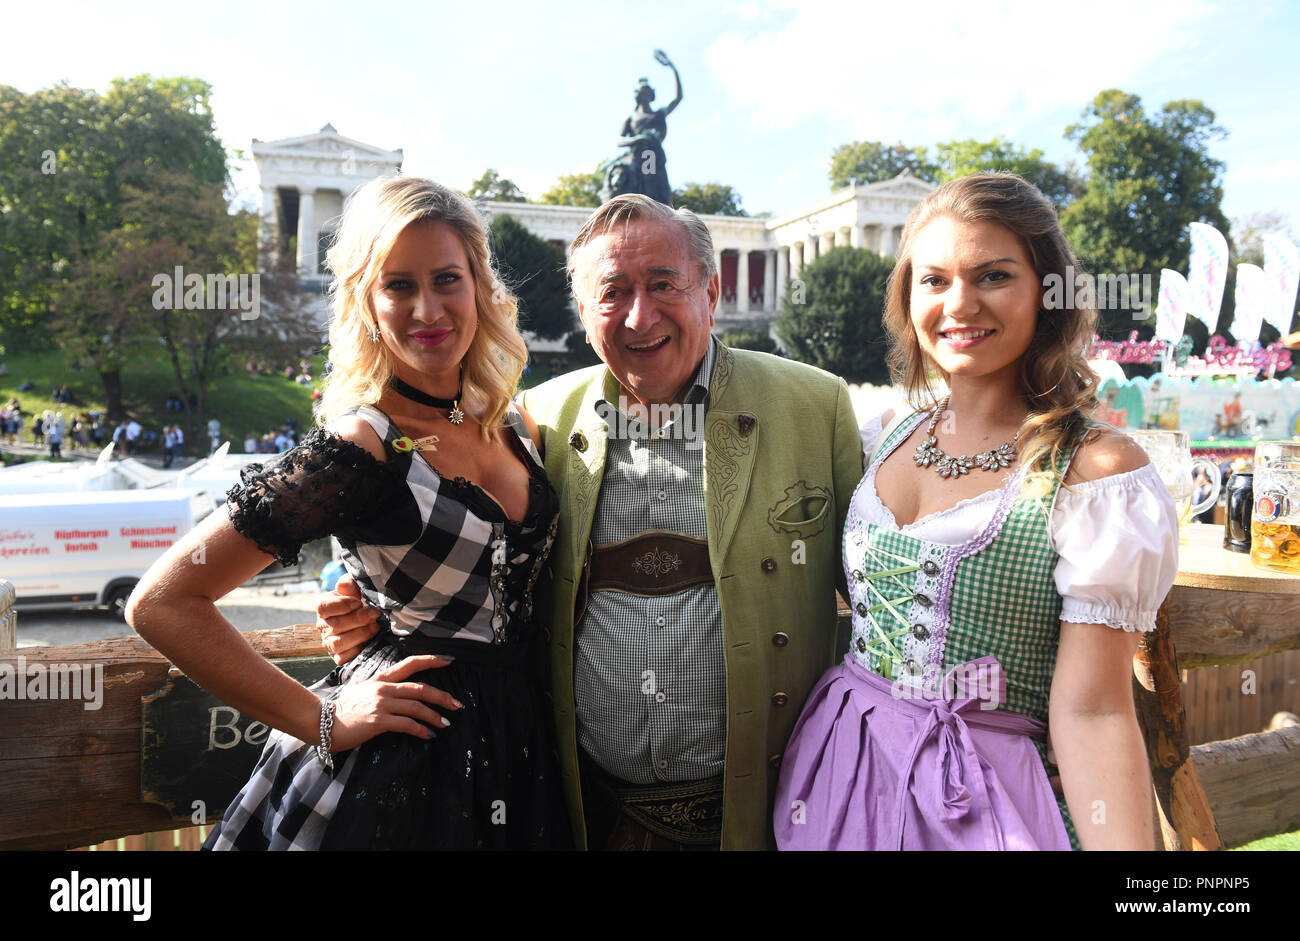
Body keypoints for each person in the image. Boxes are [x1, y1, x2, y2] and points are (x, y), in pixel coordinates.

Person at [320, 193, 863, 850]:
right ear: (583, 311)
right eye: (613, 292)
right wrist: (356, 595)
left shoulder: (815, 405)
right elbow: (462, 541)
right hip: (588, 813)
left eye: (664, 284)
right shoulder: (536, 420)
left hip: (770, 814)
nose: (640, 315)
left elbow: (875, 592)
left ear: (712, 291)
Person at [127, 175, 568, 850]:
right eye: (397, 285)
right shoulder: (361, 445)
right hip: (400, 765)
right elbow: (162, 600)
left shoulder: (517, 427)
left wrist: (343, 596)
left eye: (447, 278)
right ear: (366, 299)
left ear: (479, 284)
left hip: (521, 748)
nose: (429, 307)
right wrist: (322, 716)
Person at [773, 173, 1177, 851]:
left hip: (980, 799)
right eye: (933, 280)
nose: (959, 304)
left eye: (992, 275)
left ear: (1047, 292)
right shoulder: (882, 433)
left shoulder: (1095, 472)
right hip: (842, 769)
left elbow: (1096, 710)